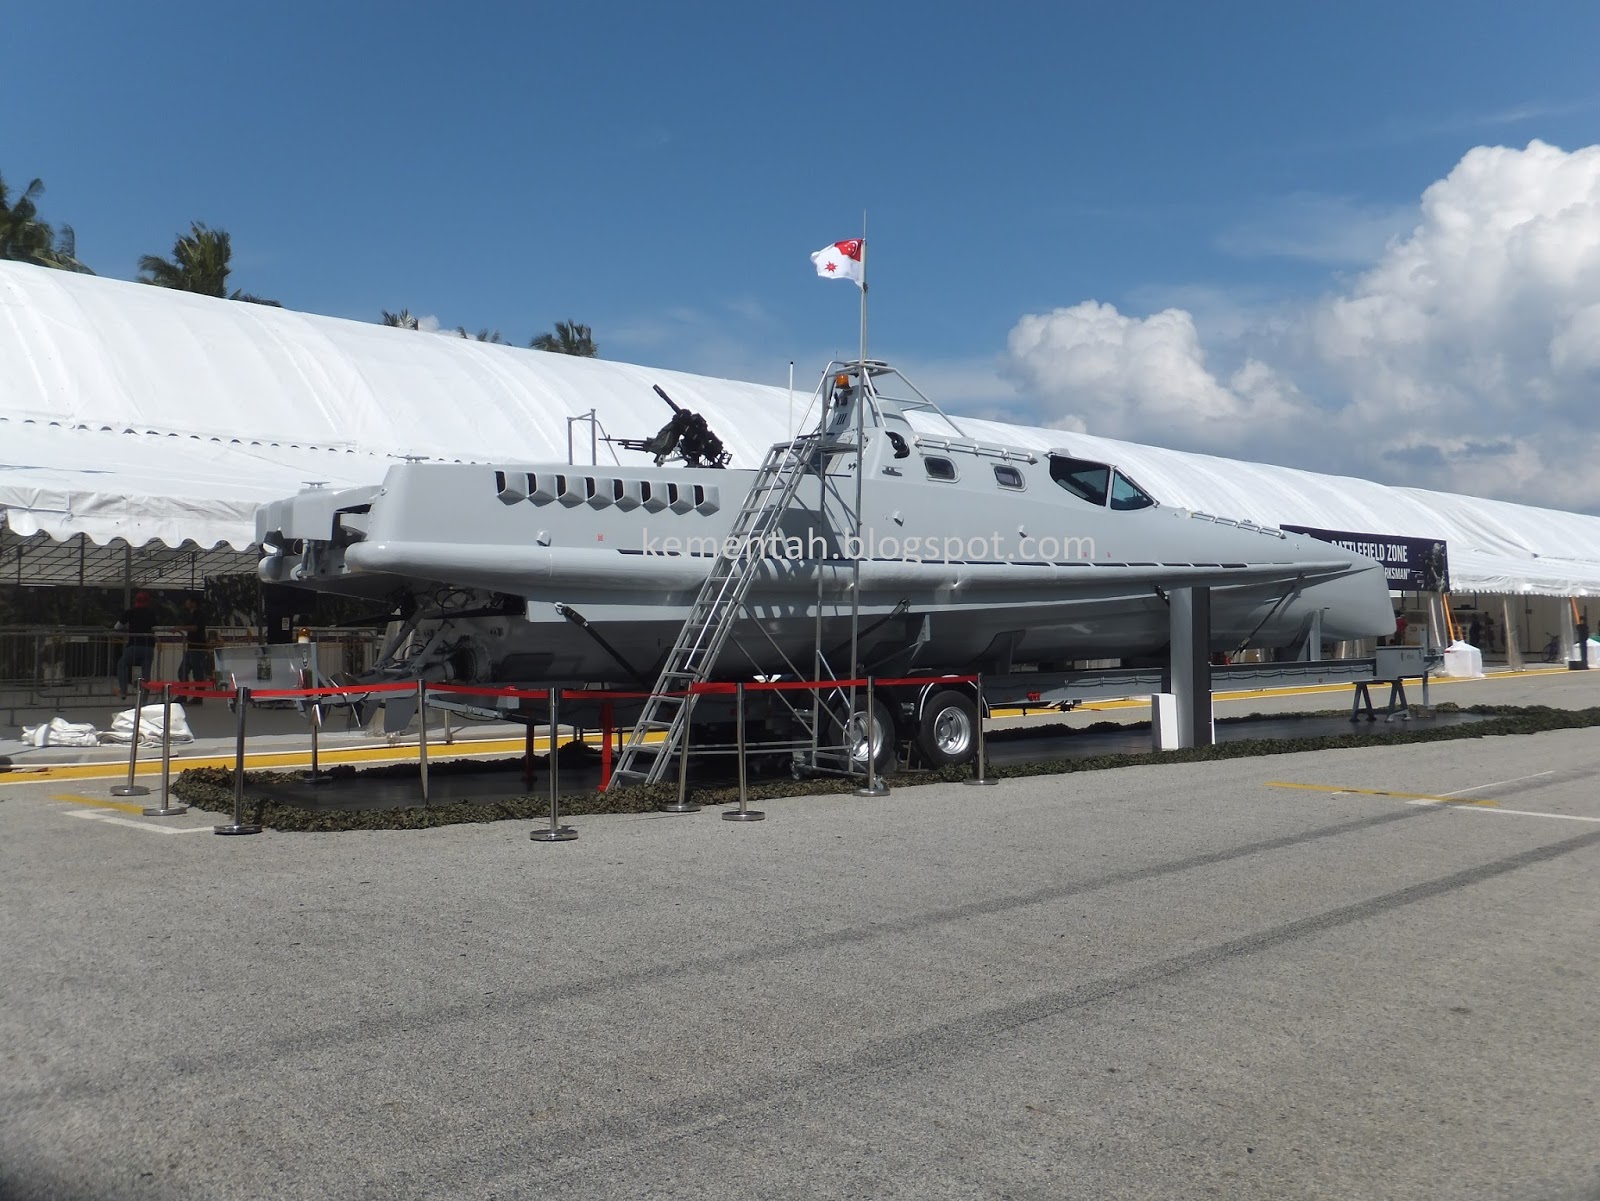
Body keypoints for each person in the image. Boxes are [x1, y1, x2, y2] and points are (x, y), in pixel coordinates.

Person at [114, 592, 157, 698]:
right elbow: (156, 627)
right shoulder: (151, 613)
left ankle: (123, 691)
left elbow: (117, 627)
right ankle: (144, 698)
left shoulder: (130, 612)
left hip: (134, 645)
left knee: (122, 664)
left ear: (135, 601)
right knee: (146, 672)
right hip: (148, 646)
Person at [177, 594, 211, 703]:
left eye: (188, 601)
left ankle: (198, 696)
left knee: (197, 673)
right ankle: (184, 694)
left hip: (198, 647)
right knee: (182, 671)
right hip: (192, 646)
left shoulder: (199, 614)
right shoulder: (191, 615)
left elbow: (195, 627)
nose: (186, 603)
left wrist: (179, 628)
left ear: (193, 603)